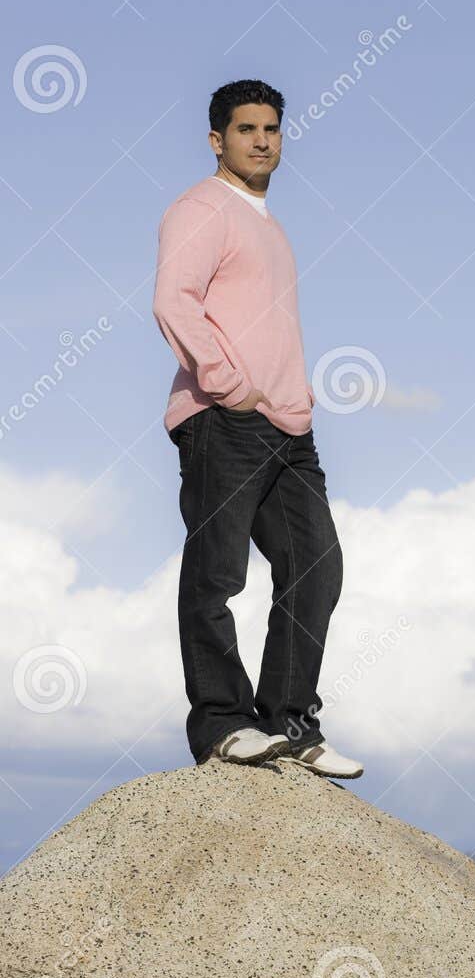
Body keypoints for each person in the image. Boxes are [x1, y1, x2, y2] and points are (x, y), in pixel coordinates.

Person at [154, 79, 364, 780]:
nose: (263, 140)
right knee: (216, 572)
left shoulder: (270, 226)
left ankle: (290, 722)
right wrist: (228, 385)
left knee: (317, 569)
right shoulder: (202, 208)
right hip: (225, 419)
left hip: (287, 429)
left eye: (272, 128)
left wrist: (292, 398)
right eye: (247, 129)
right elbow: (172, 302)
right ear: (218, 139)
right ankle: (221, 722)